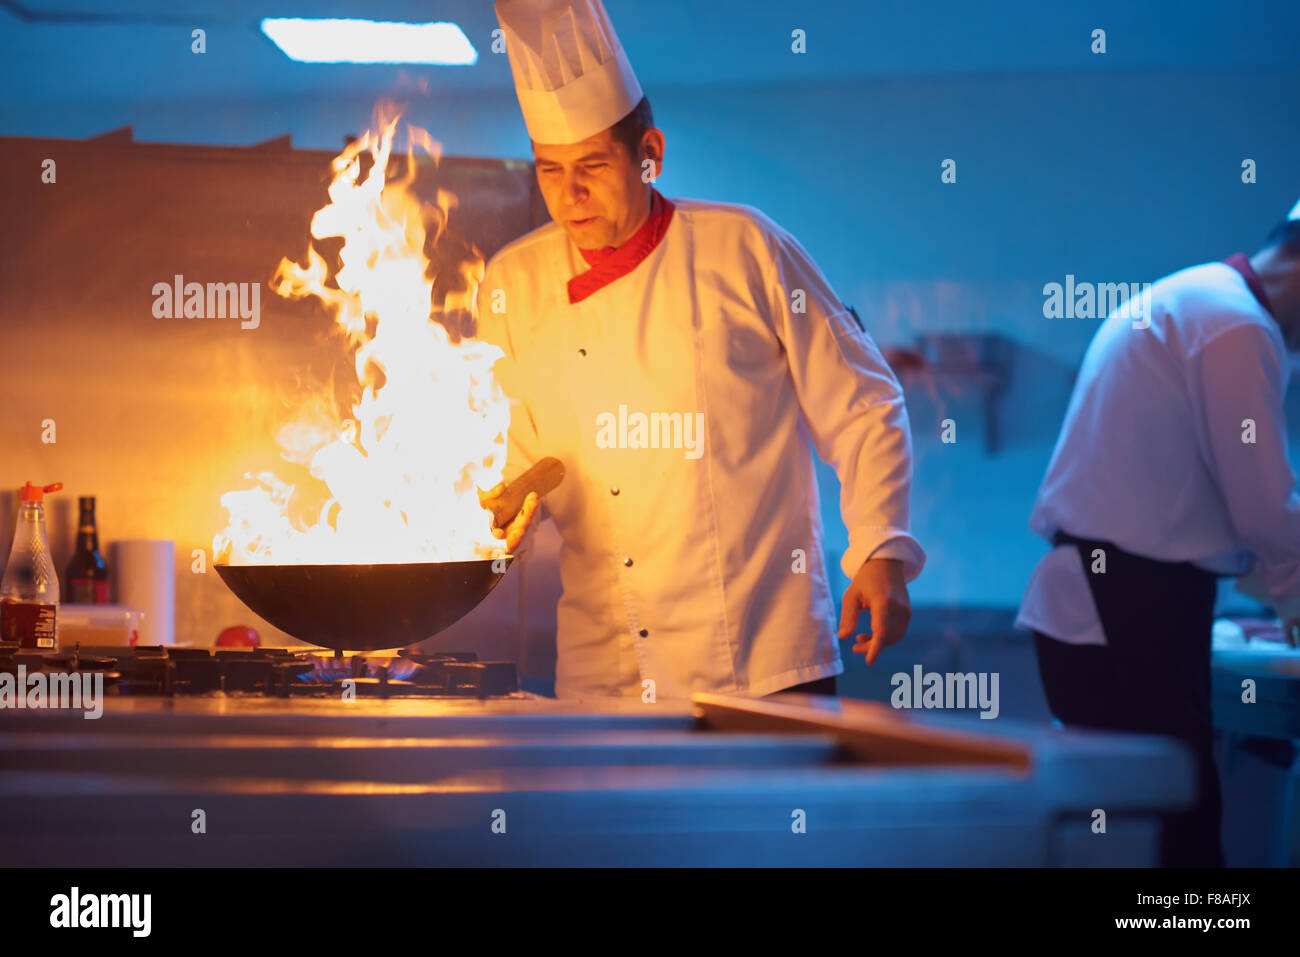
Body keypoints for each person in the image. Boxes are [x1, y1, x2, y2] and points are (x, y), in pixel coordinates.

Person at [474, 0, 924, 700]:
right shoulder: (512, 283)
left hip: (761, 662)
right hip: (602, 674)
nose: (571, 195)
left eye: (591, 164)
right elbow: (512, 460)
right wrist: (495, 511)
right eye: (550, 170)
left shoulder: (745, 247)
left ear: (649, 154)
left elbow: (864, 401)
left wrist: (881, 544)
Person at [1016, 196, 1300, 867]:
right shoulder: (1234, 324)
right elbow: (1265, 506)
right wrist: (1292, 590)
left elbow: (1222, 503)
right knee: (1177, 838)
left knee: (1140, 829)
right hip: (1128, 602)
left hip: (1106, 598)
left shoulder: (1197, 299)